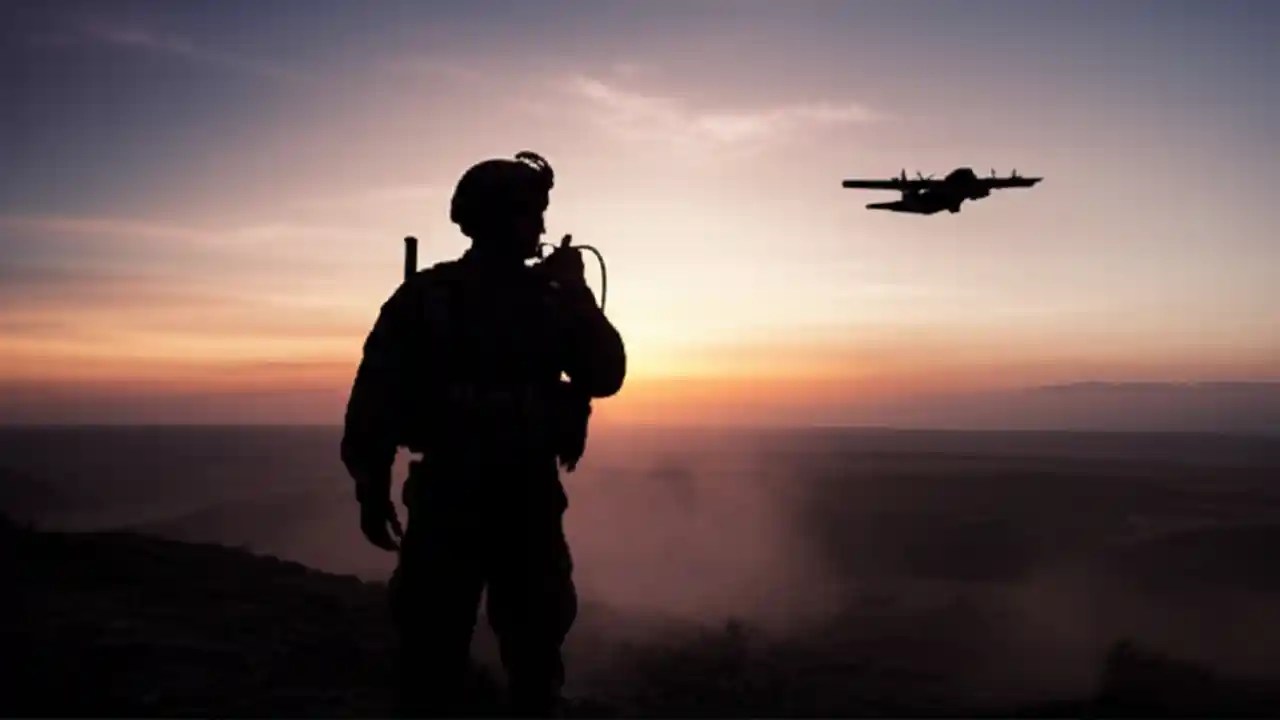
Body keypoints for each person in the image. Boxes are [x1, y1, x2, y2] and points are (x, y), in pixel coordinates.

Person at [340, 151, 626, 717]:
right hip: (513, 499)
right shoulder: (544, 299)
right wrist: (577, 293)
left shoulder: (426, 296)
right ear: (506, 218)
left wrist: (371, 488)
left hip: (465, 496)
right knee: (513, 654)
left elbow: (373, 404)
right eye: (531, 214)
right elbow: (606, 374)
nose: (542, 227)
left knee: (450, 651)